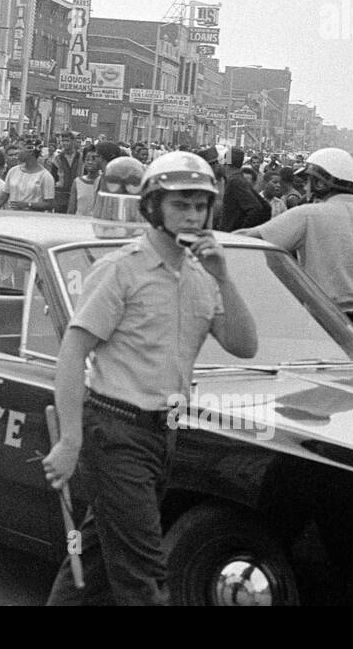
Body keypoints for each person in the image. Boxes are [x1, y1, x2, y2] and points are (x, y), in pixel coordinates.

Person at [43, 153, 257, 605]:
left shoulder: (202, 276)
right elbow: (73, 350)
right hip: (116, 431)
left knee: (98, 559)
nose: (194, 215)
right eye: (182, 204)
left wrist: (224, 276)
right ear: (154, 206)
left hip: (165, 434)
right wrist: (70, 440)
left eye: (202, 206)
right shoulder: (122, 269)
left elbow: (244, 345)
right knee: (145, 574)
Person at [240, 148, 353, 355]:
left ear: (321, 183)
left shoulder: (307, 215)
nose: (304, 187)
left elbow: (245, 240)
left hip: (326, 328)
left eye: (308, 181)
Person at [217, 146, 270, 231]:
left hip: (231, 236)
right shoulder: (239, 179)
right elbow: (266, 207)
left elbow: (256, 208)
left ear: (226, 163)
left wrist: (241, 230)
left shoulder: (235, 181)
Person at [5, 138, 56, 211]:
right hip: (11, 218)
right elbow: (3, 196)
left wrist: (28, 205)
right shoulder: (13, 171)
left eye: (21, 149)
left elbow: (50, 204)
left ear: (30, 151)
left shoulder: (45, 176)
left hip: (32, 219)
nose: (18, 153)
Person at [45, 131, 81, 214]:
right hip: (61, 195)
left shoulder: (80, 157)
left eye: (67, 140)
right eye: (63, 141)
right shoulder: (58, 158)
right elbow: (53, 177)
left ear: (73, 141)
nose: (64, 143)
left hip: (77, 193)